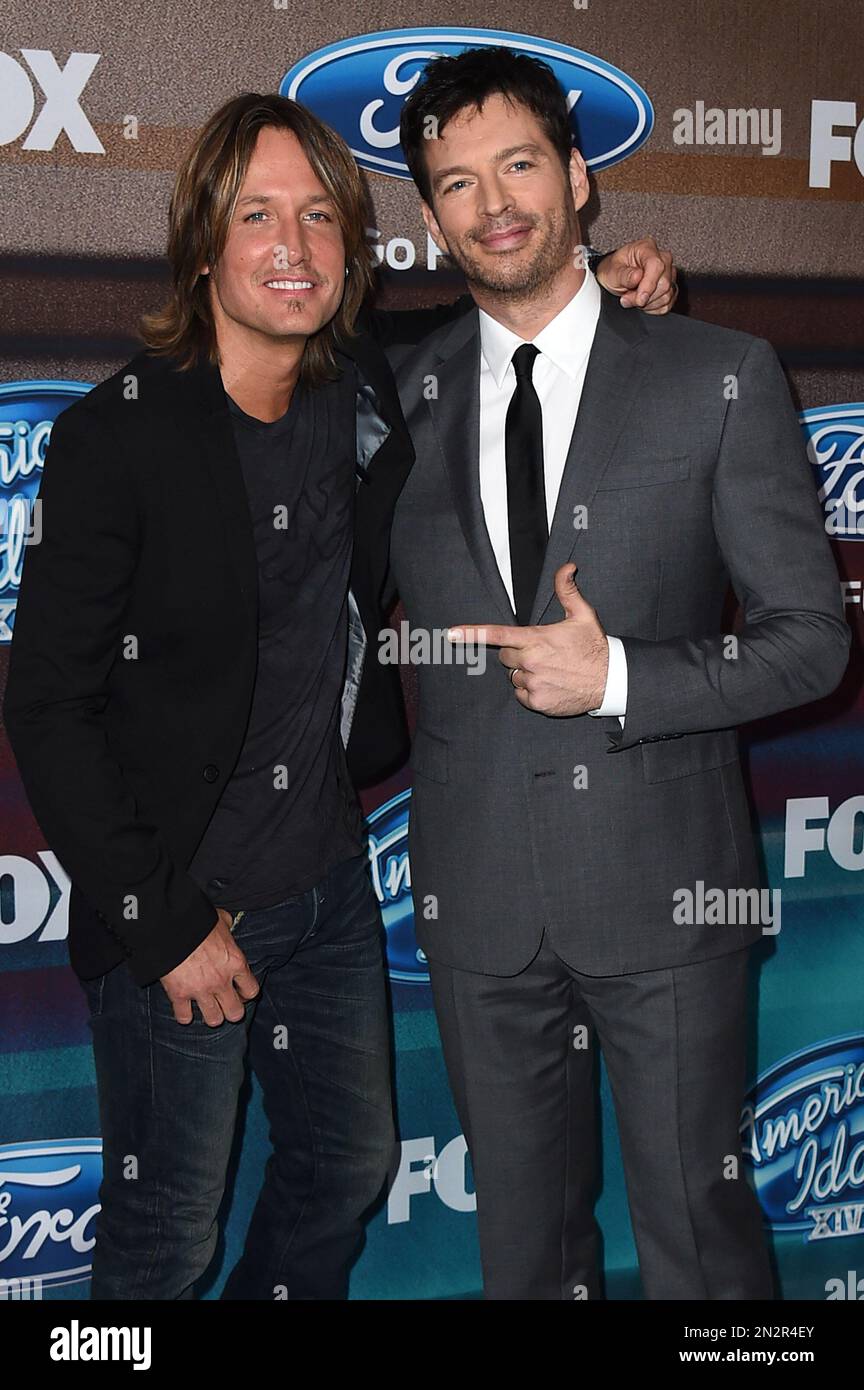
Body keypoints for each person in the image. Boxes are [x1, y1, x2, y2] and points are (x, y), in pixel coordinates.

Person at [2, 88, 676, 1300]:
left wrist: (609, 272)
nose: (293, 247)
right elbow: (48, 706)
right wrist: (164, 926)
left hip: (322, 888)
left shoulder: (365, 380)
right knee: (165, 1234)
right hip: (182, 904)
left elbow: (494, 314)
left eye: (320, 216)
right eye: (258, 214)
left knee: (345, 1162)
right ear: (205, 239)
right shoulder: (120, 436)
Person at [386, 47, 850, 1299]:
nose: (495, 203)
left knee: (704, 1251)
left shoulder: (720, 373)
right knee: (525, 1262)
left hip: (671, 898)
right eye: (457, 183)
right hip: (478, 899)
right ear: (429, 219)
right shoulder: (388, 392)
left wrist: (627, 679)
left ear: (581, 177)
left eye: (522, 164)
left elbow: (813, 635)